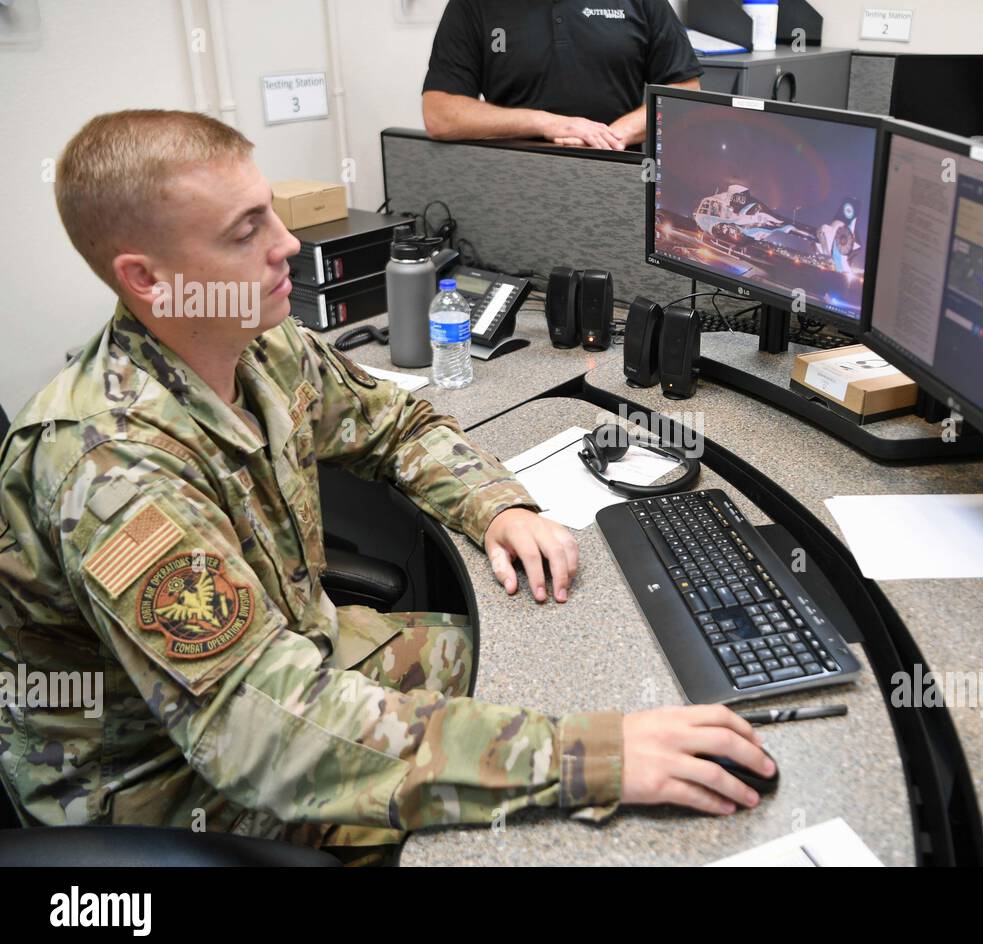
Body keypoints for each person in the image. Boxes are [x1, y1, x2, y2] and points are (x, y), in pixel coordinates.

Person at [0, 110, 772, 859]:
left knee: (540, 672)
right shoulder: (110, 469)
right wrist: (588, 760)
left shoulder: (260, 343)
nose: (289, 247)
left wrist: (494, 503)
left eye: (272, 214)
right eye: (246, 232)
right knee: (561, 831)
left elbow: (397, 424)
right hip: (170, 788)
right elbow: (264, 737)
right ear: (149, 278)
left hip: (295, 661)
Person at [421, 0, 702, 150]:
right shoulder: (473, 5)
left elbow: (685, 92)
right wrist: (547, 123)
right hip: (510, 182)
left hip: (617, 178)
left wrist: (610, 137)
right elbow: (440, 114)